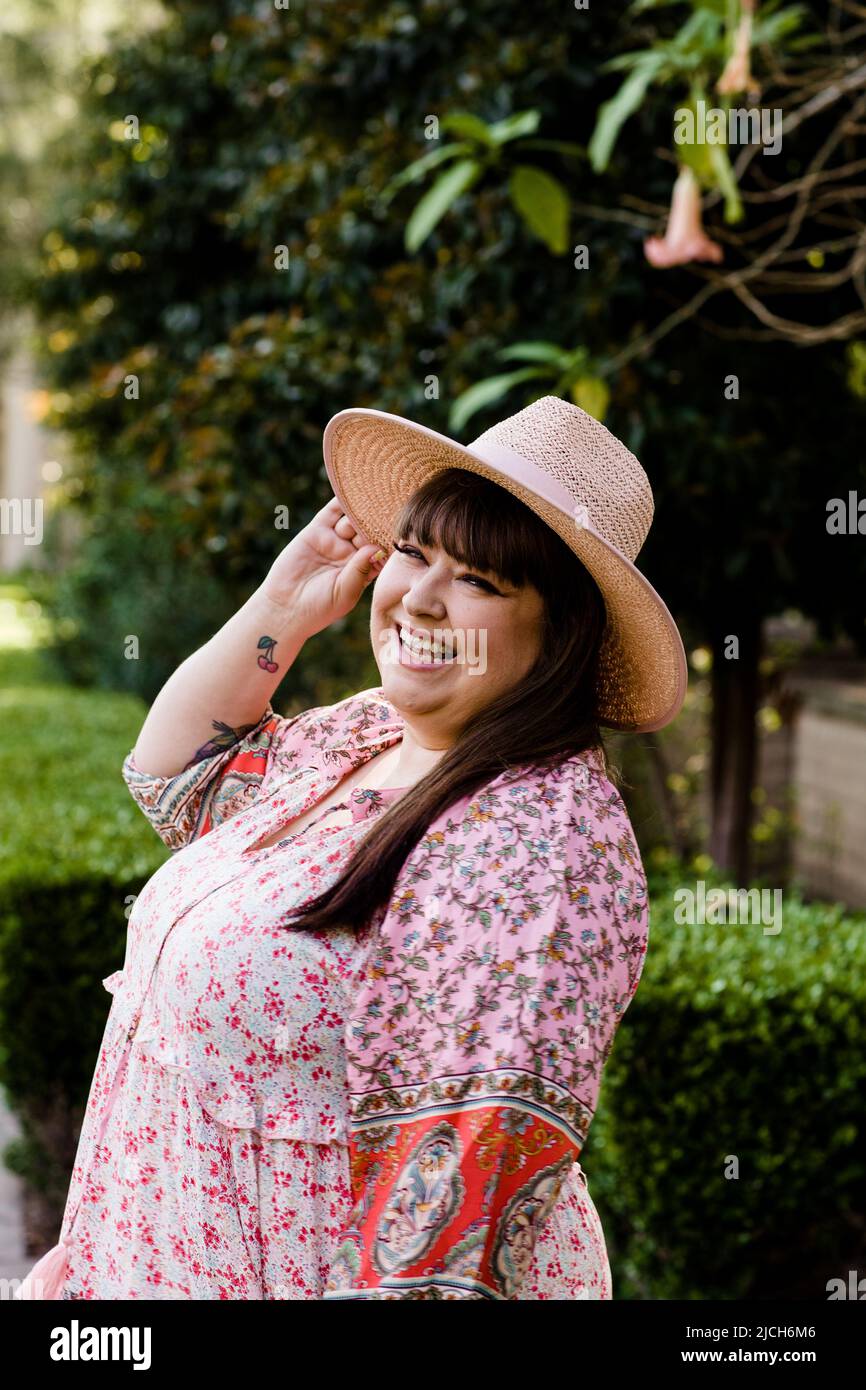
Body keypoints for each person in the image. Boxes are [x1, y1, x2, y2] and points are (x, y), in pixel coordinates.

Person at [17, 394, 686, 1301]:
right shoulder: (373, 736)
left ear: (560, 633)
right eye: (415, 551)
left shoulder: (538, 839)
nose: (419, 596)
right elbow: (177, 775)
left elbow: (452, 1225)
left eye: (479, 581)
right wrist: (284, 607)